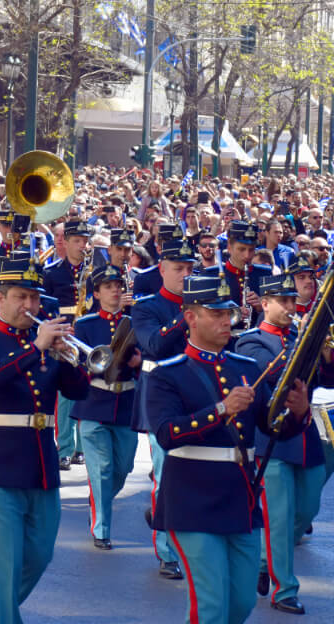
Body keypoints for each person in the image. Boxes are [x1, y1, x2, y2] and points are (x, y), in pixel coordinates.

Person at [147, 273, 311, 624]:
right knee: (211, 605)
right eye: (216, 313)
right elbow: (166, 434)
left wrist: (298, 412)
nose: (226, 321)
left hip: (240, 499)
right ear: (190, 317)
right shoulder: (166, 374)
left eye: (229, 313)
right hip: (191, 500)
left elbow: (272, 428)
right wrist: (221, 410)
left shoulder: (245, 368)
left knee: (241, 602)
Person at [0, 258, 90, 624]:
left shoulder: (45, 343)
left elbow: (78, 391)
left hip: (40, 462)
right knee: (6, 560)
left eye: (34, 298)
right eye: (20, 297)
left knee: (40, 555)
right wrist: (36, 349)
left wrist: (71, 358)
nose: (30, 305)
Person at [236, 273, 334, 614]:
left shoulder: (301, 337)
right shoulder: (251, 342)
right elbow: (274, 375)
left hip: (305, 434)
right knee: (279, 518)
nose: (289, 307)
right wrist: (307, 343)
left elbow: (329, 382)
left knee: (308, 508)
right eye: (281, 301)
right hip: (273, 437)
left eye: (291, 301)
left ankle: (264, 558)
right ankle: (284, 589)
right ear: (265, 304)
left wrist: (325, 353)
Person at [131, 237, 197, 580]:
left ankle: (170, 522)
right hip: (162, 399)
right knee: (166, 473)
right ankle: (168, 552)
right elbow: (154, 344)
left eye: (189, 269)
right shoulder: (147, 307)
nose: (185, 275)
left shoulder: (204, 303)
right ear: (162, 269)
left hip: (199, 394)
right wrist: (188, 316)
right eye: (178, 268)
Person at [72, 264, 138, 549]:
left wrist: (137, 362)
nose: (115, 290)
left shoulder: (135, 321)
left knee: (122, 469)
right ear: (96, 294)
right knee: (102, 470)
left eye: (118, 286)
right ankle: (102, 530)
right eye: (108, 287)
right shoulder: (85, 325)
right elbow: (78, 362)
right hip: (94, 403)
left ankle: (98, 501)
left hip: (127, 404)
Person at [43, 219, 95, 470]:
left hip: (87, 338)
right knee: (64, 398)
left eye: (85, 241)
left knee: (86, 391)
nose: (82, 245)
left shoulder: (95, 273)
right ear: (66, 242)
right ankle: (64, 448)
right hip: (63, 338)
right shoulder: (51, 273)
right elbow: (46, 307)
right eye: (77, 241)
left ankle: (81, 448)